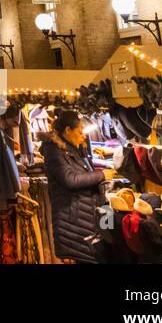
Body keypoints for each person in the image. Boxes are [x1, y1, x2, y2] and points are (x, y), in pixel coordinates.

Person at [41, 109, 112, 264]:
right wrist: (102, 175)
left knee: (100, 255)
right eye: (80, 132)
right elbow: (70, 179)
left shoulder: (74, 149)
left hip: (88, 216)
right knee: (89, 258)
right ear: (68, 130)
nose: (83, 136)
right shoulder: (54, 151)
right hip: (74, 220)